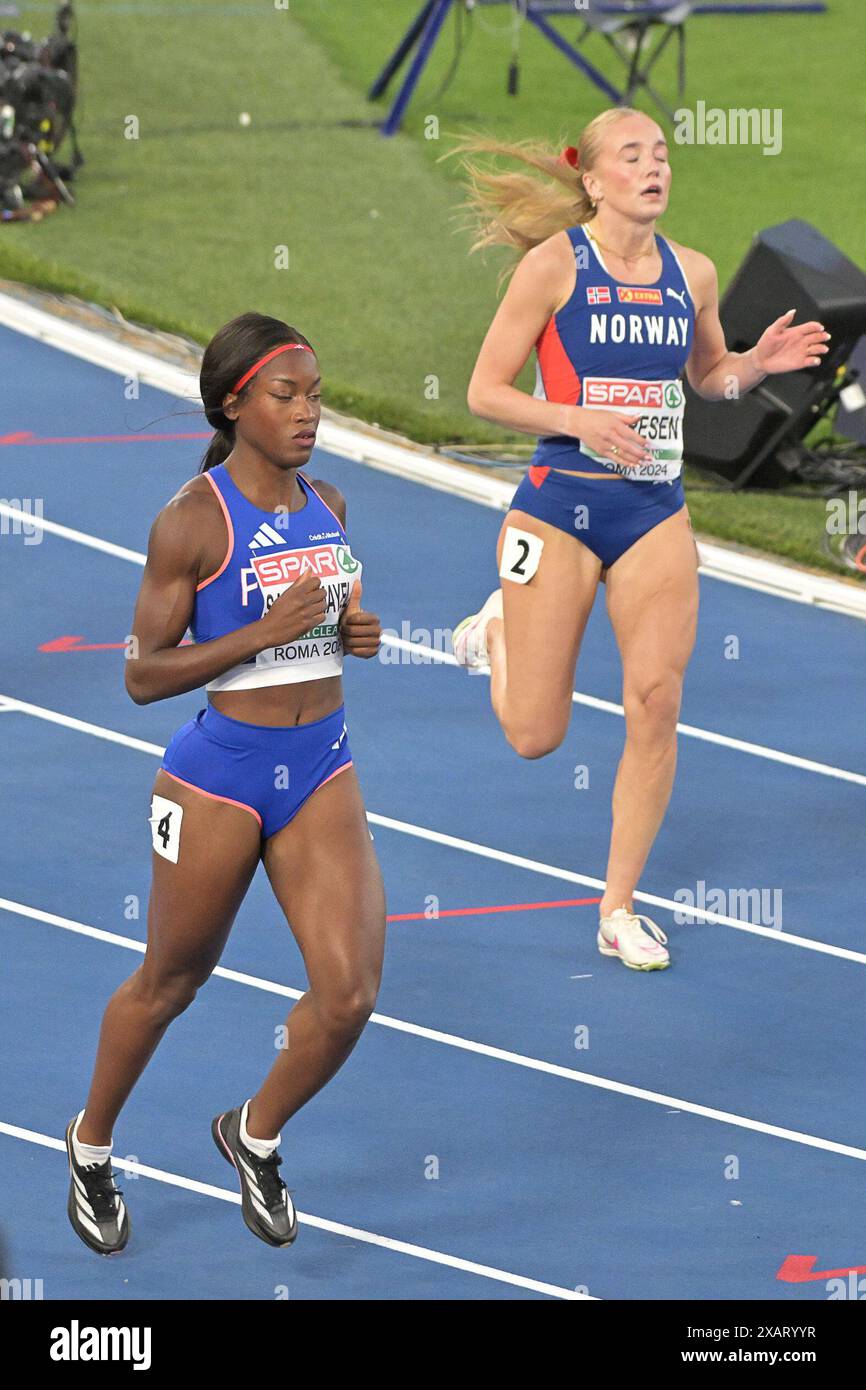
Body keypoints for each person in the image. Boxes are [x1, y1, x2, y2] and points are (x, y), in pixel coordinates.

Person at [451, 108, 829, 971]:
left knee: (655, 702)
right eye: (633, 155)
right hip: (560, 509)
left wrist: (754, 367)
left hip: (654, 509)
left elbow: (707, 377)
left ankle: (616, 907)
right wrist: (572, 415)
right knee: (534, 735)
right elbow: (482, 389)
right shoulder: (553, 267)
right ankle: (499, 632)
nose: (654, 168)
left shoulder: (690, 272)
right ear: (592, 177)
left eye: (662, 155)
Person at [66, 312, 385, 1254]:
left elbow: (320, 630)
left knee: (349, 996)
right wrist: (260, 631)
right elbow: (140, 674)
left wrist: (347, 636)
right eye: (287, 396)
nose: (308, 413)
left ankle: (254, 1132)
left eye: (316, 395)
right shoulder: (191, 521)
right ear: (234, 403)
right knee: (173, 979)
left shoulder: (328, 502)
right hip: (219, 778)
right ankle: (90, 1144)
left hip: (321, 764)